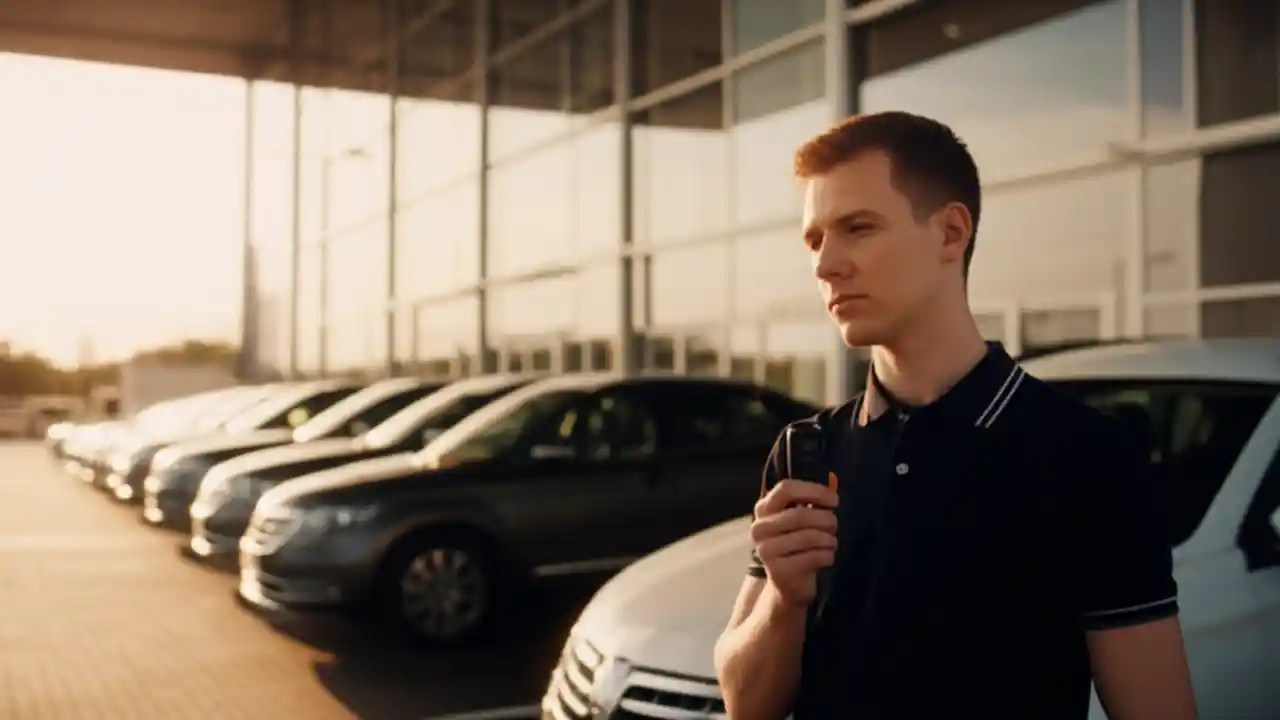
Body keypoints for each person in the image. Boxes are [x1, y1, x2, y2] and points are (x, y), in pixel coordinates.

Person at [712, 111, 1198, 719]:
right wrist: (785, 601)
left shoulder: (1086, 456)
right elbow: (744, 705)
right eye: (815, 239)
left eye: (857, 227)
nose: (824, 263)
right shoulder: (805, 450)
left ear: (950, 233)